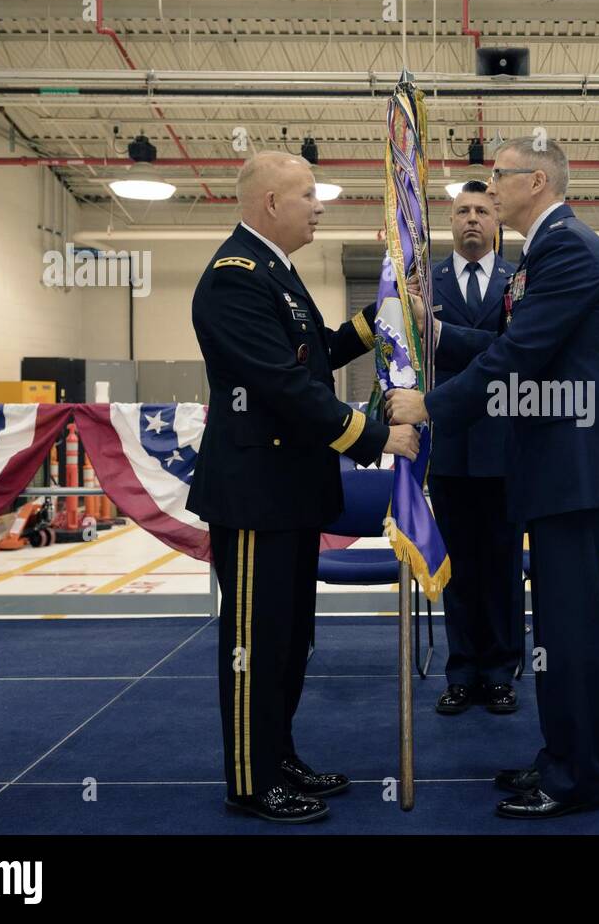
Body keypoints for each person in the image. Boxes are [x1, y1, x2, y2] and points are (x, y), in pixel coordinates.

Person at [387, 138, 599, 819]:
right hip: (556, 467)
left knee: (572, 631)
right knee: (558, 630)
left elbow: (519, 356)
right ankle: (562, 757)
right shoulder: (543, 248)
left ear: (537, 179)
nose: (490, 188)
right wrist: (424, 328)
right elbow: (507, 342)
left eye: (498, 176)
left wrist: (429, 404)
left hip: (573, 468)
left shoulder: (567, 248)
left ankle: (576, 777)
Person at [187, 151, 418, 824]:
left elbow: (311, 350)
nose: (320, 206)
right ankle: (250, 781)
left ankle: (277, 752)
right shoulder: (235, 277)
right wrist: (373, 436)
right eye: (309, 195)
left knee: (289, 638)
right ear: (270, 203)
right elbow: (284, 386)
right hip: (257, 492)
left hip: (287, 491)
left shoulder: (273, 273)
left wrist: (380, 320)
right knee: (254, 642)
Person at [425, 181, 524, 716]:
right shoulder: (426, 282)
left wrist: (444, 334)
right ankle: (461, 671)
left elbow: (517, 350)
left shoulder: (519, 280)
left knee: (503, 565)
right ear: (450, 220)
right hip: (448, 444)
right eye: (462, 210)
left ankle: (501, 670)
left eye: (482, 211)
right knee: (457, 566)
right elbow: (413, 350)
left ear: (497, 220)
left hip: (506, 444)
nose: (471, 219)